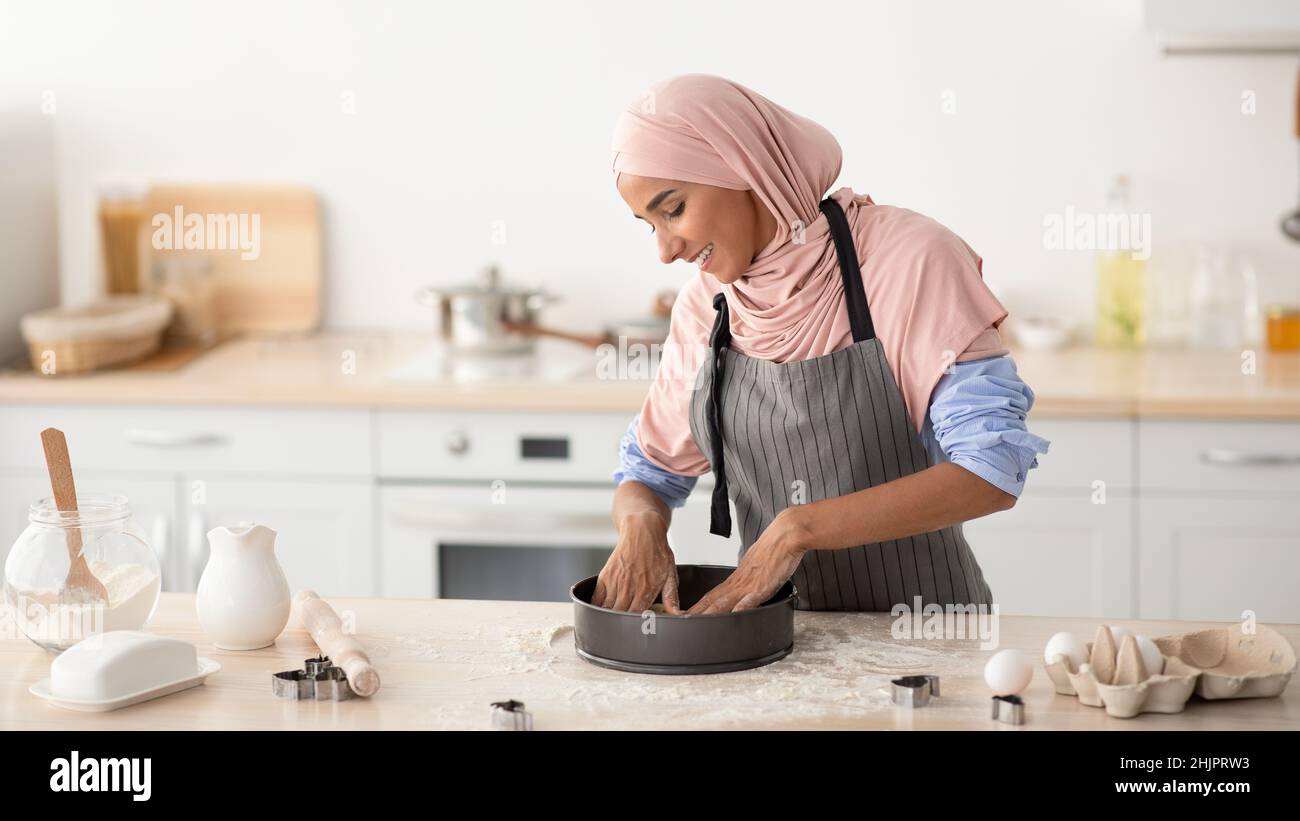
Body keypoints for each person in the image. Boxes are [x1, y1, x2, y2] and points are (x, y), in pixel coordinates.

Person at [598, 74, 1049, 615]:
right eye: (648, 225)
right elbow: (649, 472)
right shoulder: (706, 306)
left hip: (928, 639)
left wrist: (798, 528)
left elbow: (991, 470)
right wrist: (641, 523)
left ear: (741, 167)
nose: (665, 251)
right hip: (775, 645)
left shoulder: (910, 261)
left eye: (672, 209)